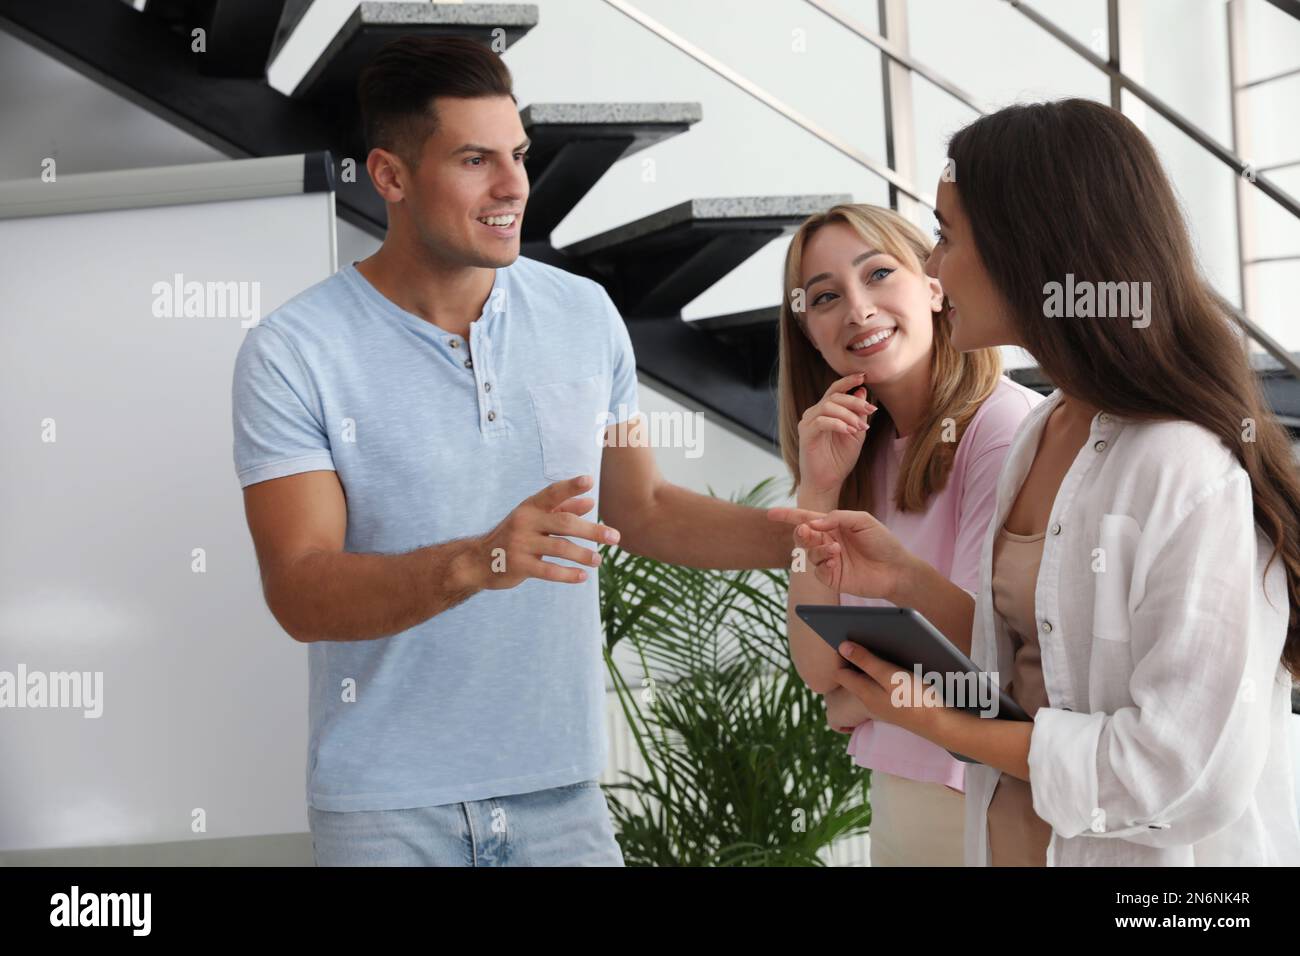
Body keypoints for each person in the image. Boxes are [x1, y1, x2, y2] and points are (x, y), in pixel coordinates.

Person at [231, 36, 793, 866]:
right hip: (388, 810)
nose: (514, 186)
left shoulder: (585, 314)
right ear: (389, 177)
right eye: (474, 160)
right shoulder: (294, 350)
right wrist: (479, 560)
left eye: (519, 155)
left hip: (561, 796)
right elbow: (301, 589)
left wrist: (800, 537)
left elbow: (642, 508)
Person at [774, 99, 1300, 866]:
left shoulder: (1180, 466)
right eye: (822, 296)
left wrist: (939, 724)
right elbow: (1028, 667)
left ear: (1030, 248)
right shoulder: (1042, 435)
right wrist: (906, 579)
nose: (931, 267)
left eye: (945, 238)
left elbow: (1176, 769)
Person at [777, 202, 1042, 865]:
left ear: (933, 285)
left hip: (983, 791)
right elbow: (816, 668)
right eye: (826, 297)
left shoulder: (1002, 427)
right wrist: (816, 491)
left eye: (879, 274)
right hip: (903, 790)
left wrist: (861, 695)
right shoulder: (861, 452)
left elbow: (991, 660)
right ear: (809, 332)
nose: (859, 310)